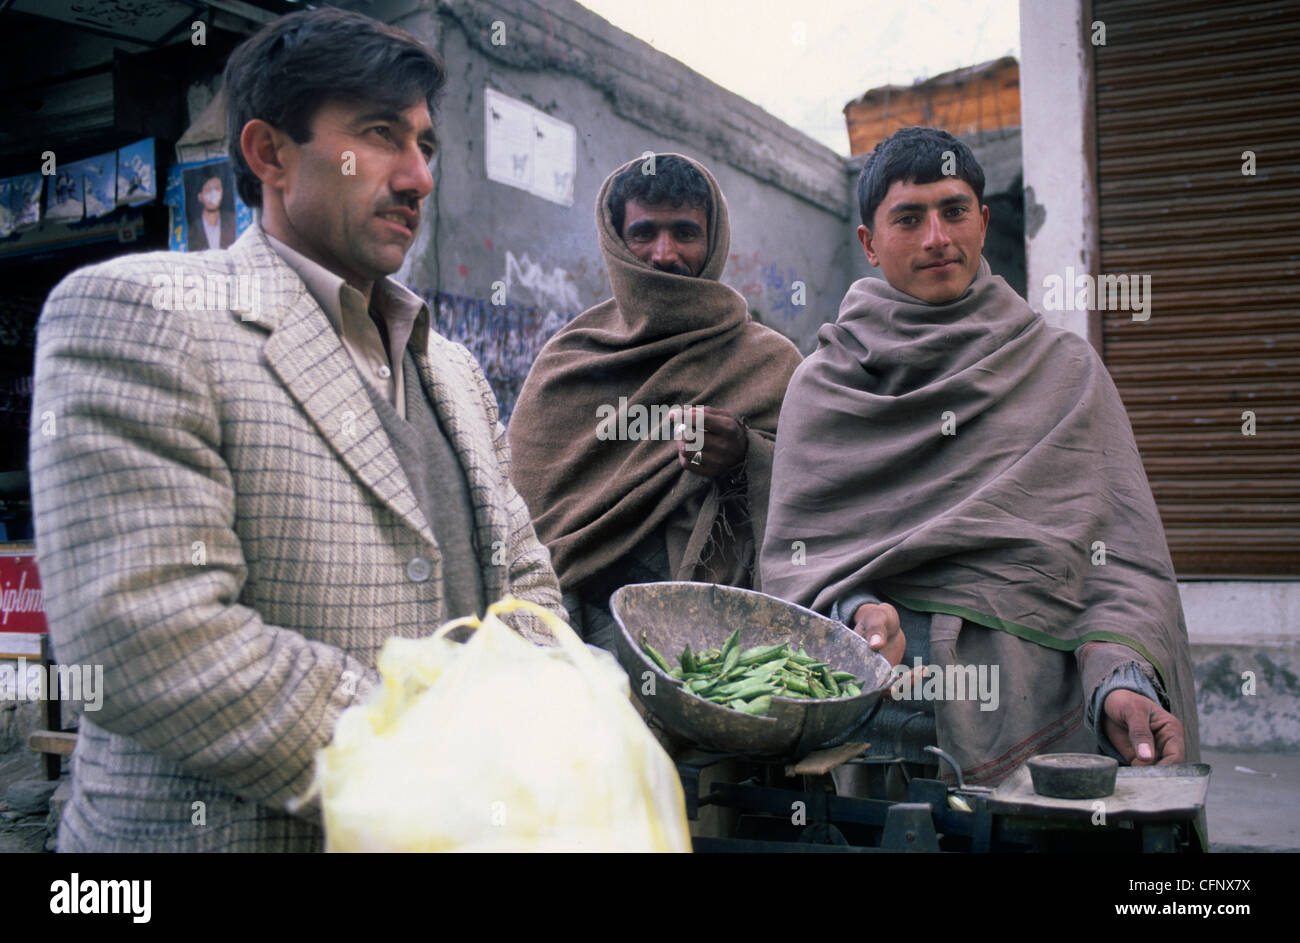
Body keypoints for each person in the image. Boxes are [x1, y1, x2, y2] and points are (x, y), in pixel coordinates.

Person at [28, 7, 566, 853]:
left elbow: (528, 583)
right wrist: (449, 755)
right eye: (382, 135)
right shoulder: (143, 315)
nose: (419, 176)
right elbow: (150, 643)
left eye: (426, 145)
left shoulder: (455, 374)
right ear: (269, 153)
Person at [761, 127, 1199, 789]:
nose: (937, 237)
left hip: (1053, 731)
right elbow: (796, 570)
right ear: (869, 244)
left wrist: (1123, 679)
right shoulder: (824, 387)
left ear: (984, 221)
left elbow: (1123, 567)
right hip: (879, 733)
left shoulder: (1066, 373)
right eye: (909, 218)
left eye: (954, 211)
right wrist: (855, 611)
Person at [509, 154, 802, 653]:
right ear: (616, 241)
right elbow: (519, 520)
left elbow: (817, 499)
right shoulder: (568, 359)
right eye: (644, 233)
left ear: (713, 241)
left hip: (719, 650)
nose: (664, 254)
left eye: (685, 232)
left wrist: (746, 455)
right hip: (570, 638)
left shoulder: (770, 363)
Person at [186, 172, 237, 250]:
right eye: (208, 190)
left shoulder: (233, 221)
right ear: (200, 197)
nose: (213, 194)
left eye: (217, 189)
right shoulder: (192, 230)